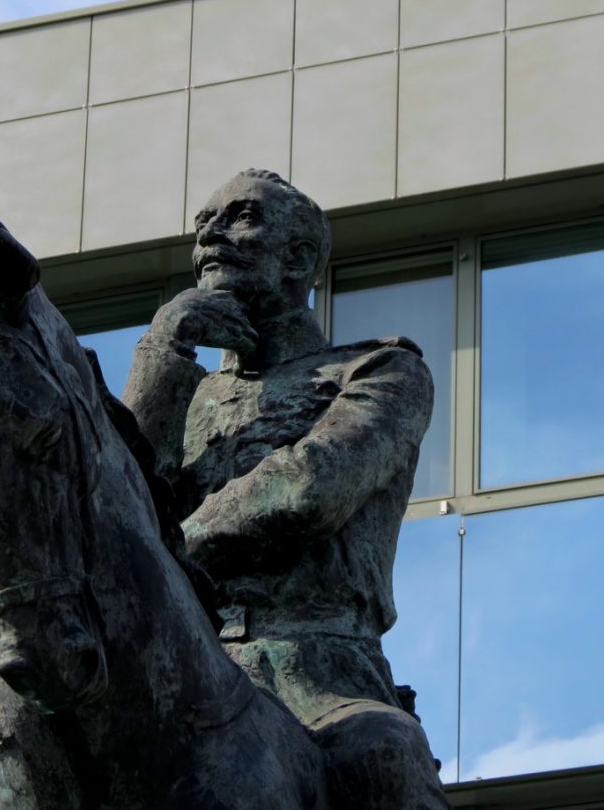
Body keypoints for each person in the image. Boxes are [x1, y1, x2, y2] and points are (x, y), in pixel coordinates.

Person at [122, 169, 450, 809]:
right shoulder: (182, 392)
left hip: (319, 674)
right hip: (180, 669)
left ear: (298, 257)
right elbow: (117, 500)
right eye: (202, 224)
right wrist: (163, 351)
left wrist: (160, 554)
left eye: (240, 217)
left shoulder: (379, 372)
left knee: (384, 754)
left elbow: (307, 489)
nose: (210, 234)